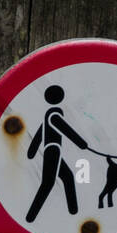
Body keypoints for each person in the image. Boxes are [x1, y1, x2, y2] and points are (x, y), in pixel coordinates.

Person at [25, 84, 88, 223]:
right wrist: (82, 144)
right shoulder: (54, 115)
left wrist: (32, 151)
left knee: (68, 177)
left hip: (52, 151)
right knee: (48, 184)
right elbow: (65, 129)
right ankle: (30, 217)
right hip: (53, 150)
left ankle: (74, 212)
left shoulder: (48, 115)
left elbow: (39, 134)